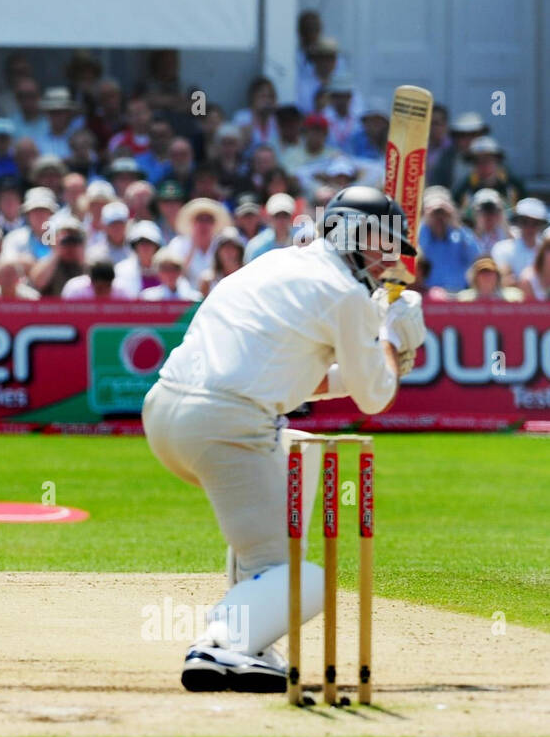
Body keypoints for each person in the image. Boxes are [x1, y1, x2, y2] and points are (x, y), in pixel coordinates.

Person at [141, 186, 426, 692]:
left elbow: (292, 375)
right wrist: (394, 339)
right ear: (355, 237)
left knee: (295, 457)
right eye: (385, 246)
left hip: (166, 413)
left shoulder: (276, 264)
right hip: (227, 427)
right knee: (304, 577)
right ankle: (220, 643)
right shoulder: (346, 294)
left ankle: (250, 646)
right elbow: (376, 397)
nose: (390, 262)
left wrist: (378, 345)